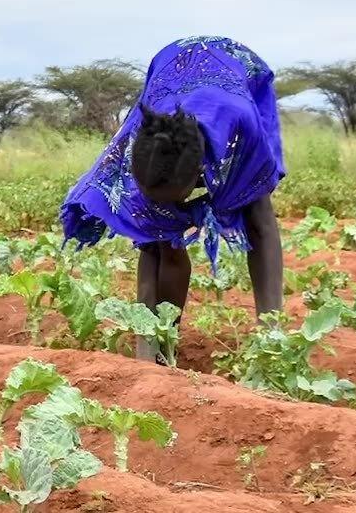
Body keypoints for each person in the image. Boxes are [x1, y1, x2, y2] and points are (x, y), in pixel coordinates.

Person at [63, 36, 285, 360]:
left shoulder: (240, 127)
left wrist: (271, 333)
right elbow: (163, 254)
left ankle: (273, 336)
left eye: (170, 198)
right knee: (159, 237)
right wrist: (149, 351)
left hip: (235, 73)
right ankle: (163, 345)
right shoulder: (141, 145)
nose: (160, 207)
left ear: (197, 173)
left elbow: (263, 228)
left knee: (257, 211)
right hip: (169, 70)